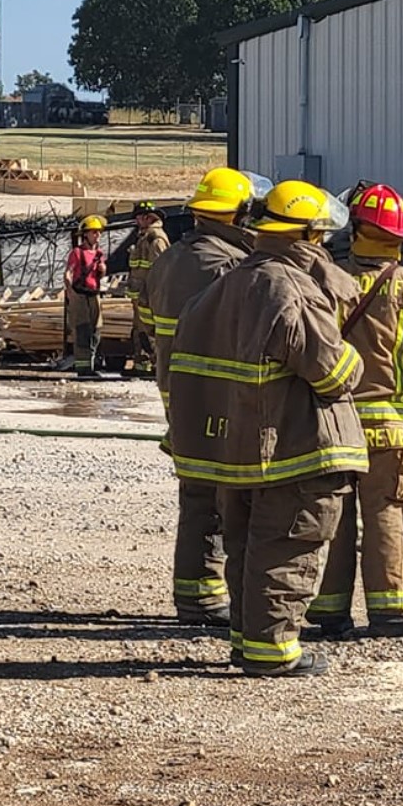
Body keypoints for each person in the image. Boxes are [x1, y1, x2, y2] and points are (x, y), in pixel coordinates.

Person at [165, 180, 366, 678]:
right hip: (291, 448)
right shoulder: (290, 289)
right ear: (307, 237)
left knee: (246, 546)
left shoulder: (229, 282)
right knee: (287, 545)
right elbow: (332, 372)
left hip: (238, 451)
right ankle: (272, 651)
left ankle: (249, 638)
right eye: (320, 236)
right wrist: (354, 355)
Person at [306, 183, 403, 638]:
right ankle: (390, 612)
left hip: (330, 426)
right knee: (387, 516)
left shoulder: (326, 279)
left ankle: (327, 612)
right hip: (390, 433)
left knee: (330, 519)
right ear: (398, 238)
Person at [140, 168, 259, 626]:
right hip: (219, 398)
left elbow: (148, 321)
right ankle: (211, 600)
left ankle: (195, 598)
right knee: (223, 500)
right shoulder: (227, 267)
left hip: (177, 393)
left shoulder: (168, 260)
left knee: (195, 497)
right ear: (238, 214)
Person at [125, 201, 169, 377]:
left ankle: (154, 366)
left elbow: (160, 269)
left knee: (150, 331)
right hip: (140, 295)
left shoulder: (156, 239)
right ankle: (141, 367)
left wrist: (154, 294)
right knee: (140, 330)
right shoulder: (144, 236)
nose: (136, 221)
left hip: (149, 296)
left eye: (138, 217)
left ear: (148, 217)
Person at [65, 215, 108, 377]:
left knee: (96, 330)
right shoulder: (77, 253)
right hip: (80, 296)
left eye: (99, 232)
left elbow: (100, 275)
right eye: (94, 232)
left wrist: (102, 269)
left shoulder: (99, 254)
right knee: (82, 330)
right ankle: (83, 368)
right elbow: (68, 273)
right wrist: (70, 292)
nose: (97, 235)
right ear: (86, 234)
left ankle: (91, 362)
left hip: (94, 295)